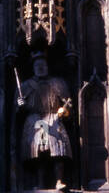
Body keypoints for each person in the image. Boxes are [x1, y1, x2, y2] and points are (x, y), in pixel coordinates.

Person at [17, 52, 73, 186]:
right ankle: (40, 183)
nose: (40, 67)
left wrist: (64, 110)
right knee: (37, 151)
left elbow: (68, 102)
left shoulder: (58, 83)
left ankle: (59, 180)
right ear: (33, 67)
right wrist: (20, 105)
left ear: (47, 66)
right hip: (34, 119)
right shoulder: (26, 86)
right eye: (37, 65)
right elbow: (18, 112)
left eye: (43, 64)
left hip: (54, 116)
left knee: (57, 149)